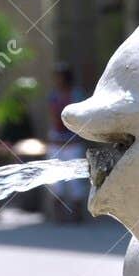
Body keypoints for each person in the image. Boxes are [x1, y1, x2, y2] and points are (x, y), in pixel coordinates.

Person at [46, 65, 88, 222]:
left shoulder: (76, 94)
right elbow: (52, 117)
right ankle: (59, 216)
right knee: (55, 180)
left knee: (75, 181)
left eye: (59, 76)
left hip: (73, 141)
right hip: (56, 141)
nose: (57, 80)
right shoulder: (53, 95)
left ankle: (77, 214)